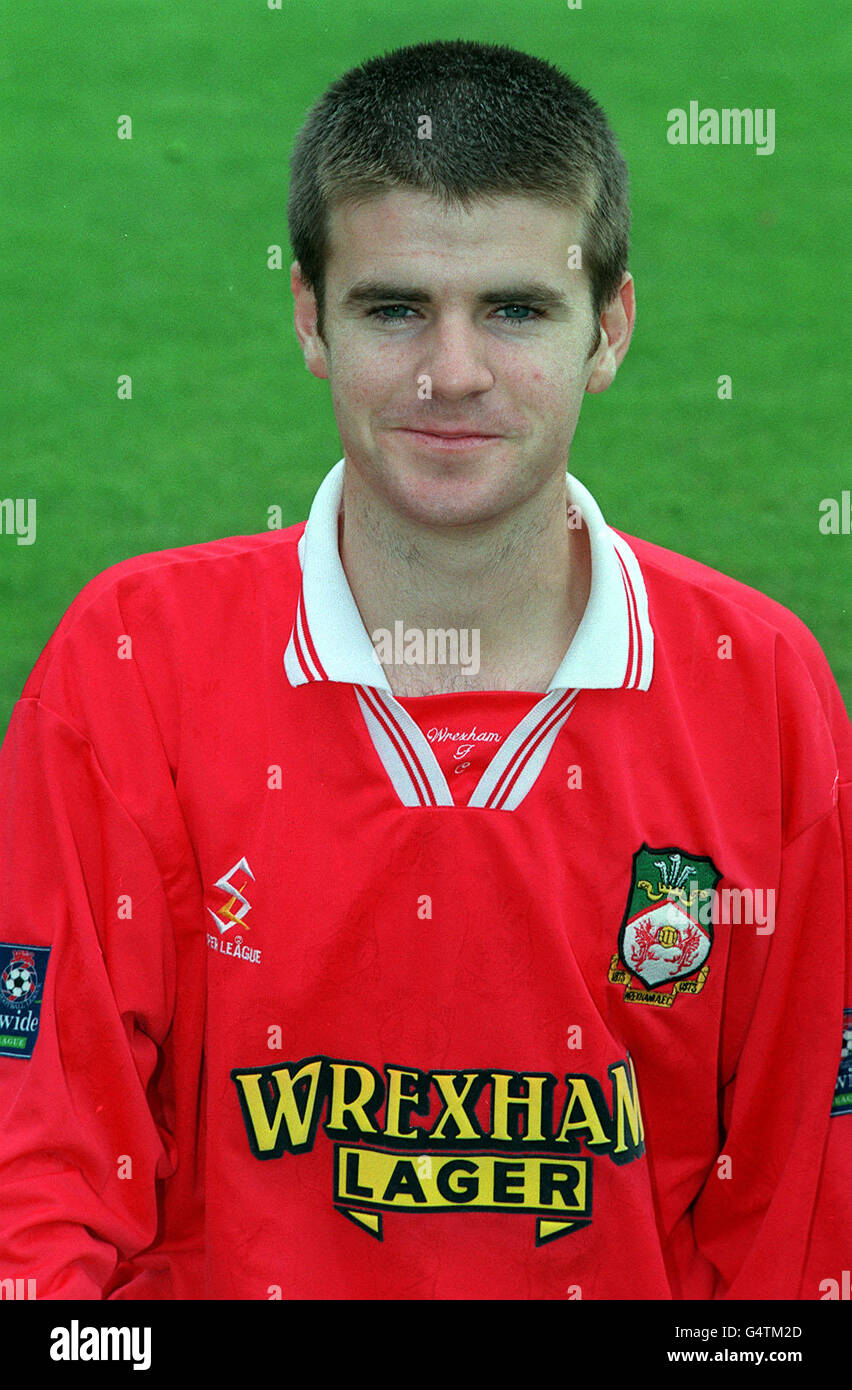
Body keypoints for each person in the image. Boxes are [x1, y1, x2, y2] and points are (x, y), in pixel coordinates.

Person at [0, 39, 848, 1301]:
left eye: (515, 309)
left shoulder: (759, 684)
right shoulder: (135, 663)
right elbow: (42, 1187)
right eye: (395, 308)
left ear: (609, 328)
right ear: (310, 320)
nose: (452, 373)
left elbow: (799, 1215)